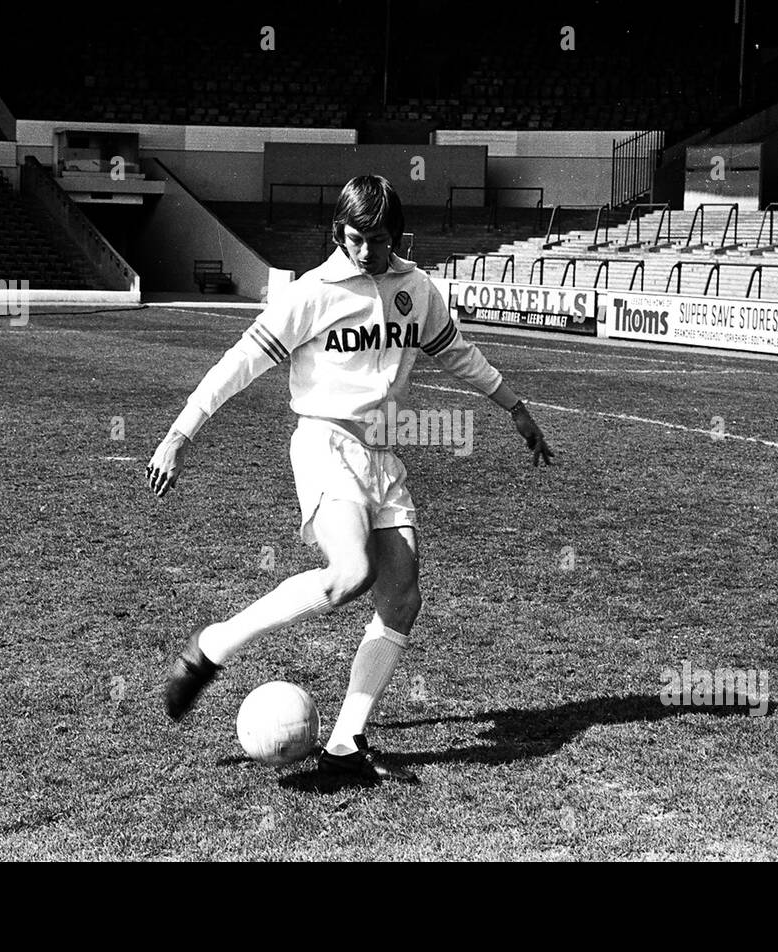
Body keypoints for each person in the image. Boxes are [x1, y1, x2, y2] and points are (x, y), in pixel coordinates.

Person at [145, 174, 554, 786]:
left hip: (385, 453)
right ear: (339, 232)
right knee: (351, 573)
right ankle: (214, 647)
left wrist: (516, 409)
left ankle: (343, 743)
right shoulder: (311, 293)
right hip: (324, 443)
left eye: (380, 239)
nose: (368, 251)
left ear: (397, 235)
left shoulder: (417, 289)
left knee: (403, 595)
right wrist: (180, 433)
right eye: (357, 238)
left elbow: (459, 353)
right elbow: (239, 363)